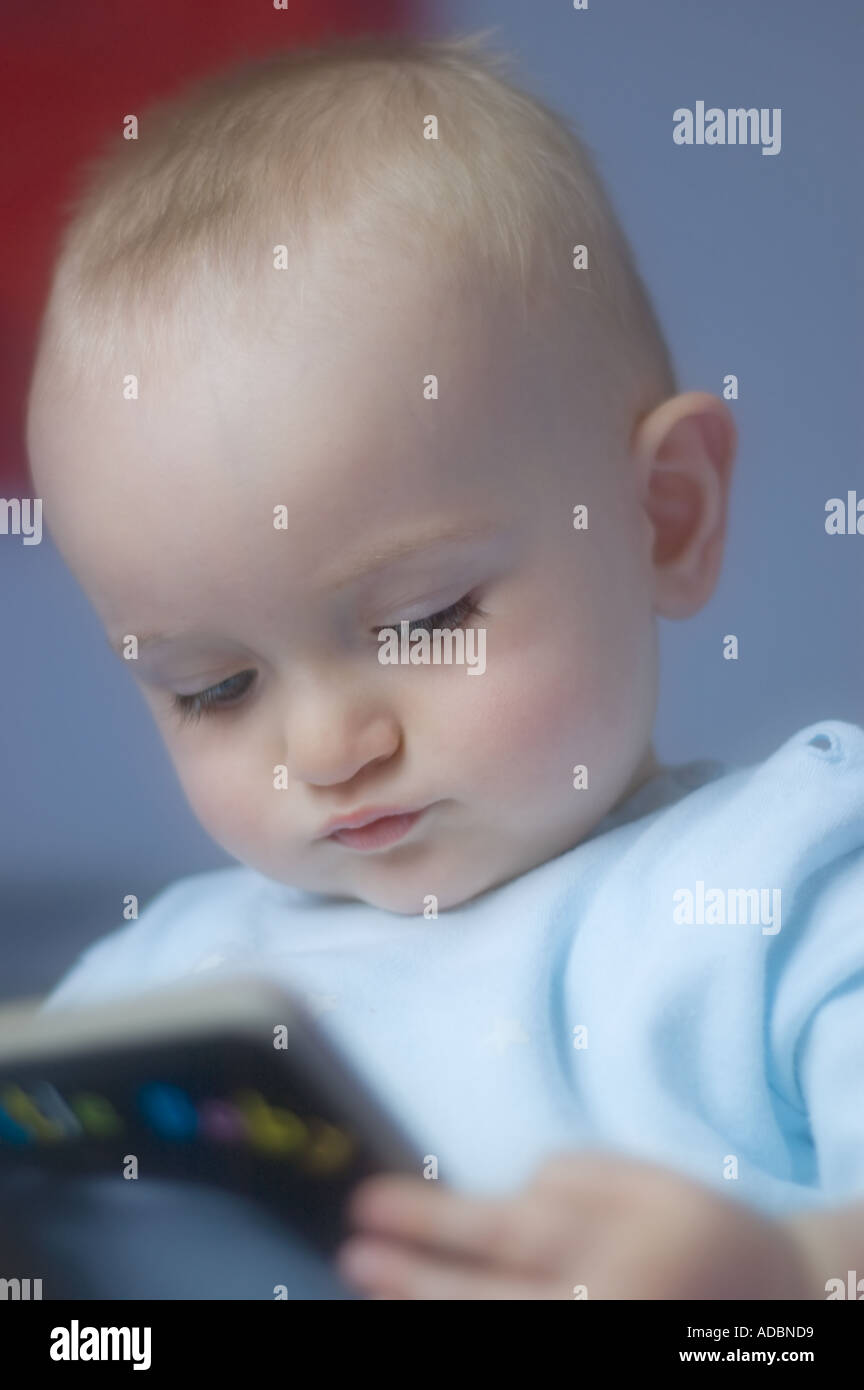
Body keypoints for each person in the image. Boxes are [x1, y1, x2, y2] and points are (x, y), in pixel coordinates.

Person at [22, 35, 864, 1299]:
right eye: (214, 687)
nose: (325, 747)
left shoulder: (787, 888)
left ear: (666, 518)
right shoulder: (147, 997)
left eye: (424, 618)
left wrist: (782, 1281)